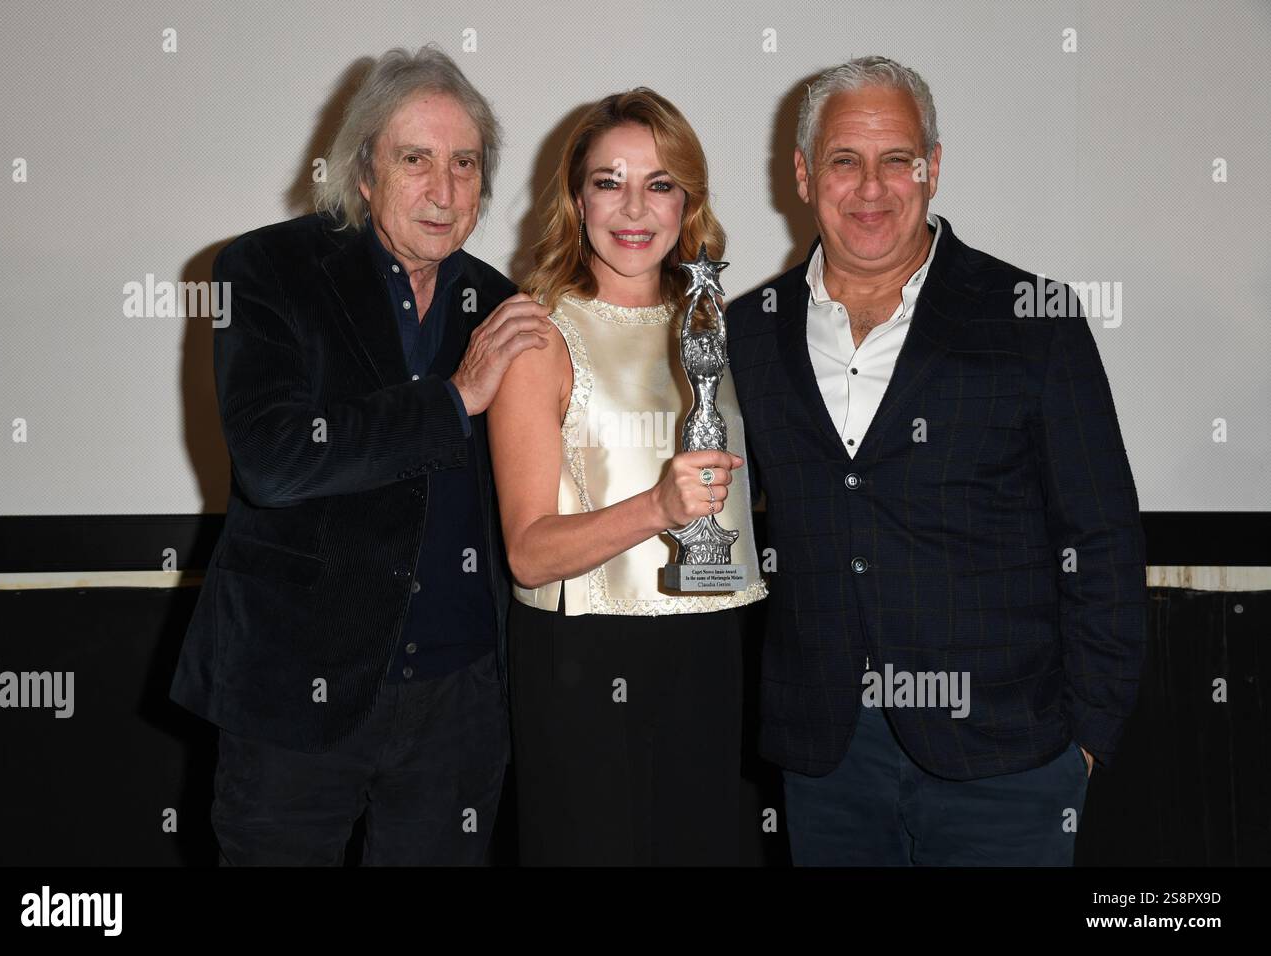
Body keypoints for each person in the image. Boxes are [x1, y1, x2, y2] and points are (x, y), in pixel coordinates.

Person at [726, 55, 1147, 866]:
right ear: (805, 174)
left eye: (898, 160)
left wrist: (1088, 736)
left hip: (1008, 759)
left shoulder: (1035, 318)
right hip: (827, 760)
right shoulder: (747, 332)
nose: (872, 188)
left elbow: (1102, 537)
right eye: (846, 160)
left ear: (934, 168)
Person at [169, 45, 553, 865]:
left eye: (465, 164)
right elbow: (273, 462)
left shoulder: (502, 302)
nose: (444, 190)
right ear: (364, 172)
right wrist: (454, 398)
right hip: (296, 699)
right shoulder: (265, 269)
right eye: (415, 160)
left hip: (459, 706)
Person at [487, 88, 768, 865]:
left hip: (712, 648)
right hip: (585, 662)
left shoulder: (715, 324)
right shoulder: (536, 333)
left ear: (689, 201)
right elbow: (528, 554)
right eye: (610, 181)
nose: (634, 208)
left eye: (660, 183)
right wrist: (656, 506)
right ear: (577, 199)